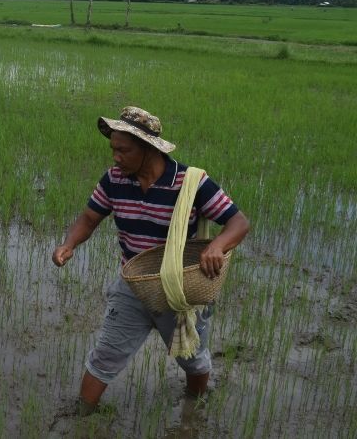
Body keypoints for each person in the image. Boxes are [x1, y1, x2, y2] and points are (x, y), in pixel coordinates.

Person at [52, 106, 250, 416]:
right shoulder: (114, 179)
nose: (116, 157)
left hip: (180, 289)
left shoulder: (191, 182)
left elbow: (238, 222)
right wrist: (69, 244)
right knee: (106, 355)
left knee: (192, 359)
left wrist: (218, 246)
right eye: (113, 149)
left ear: (147, 149)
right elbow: (89, 218)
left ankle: (194, 409)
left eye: (123, 150)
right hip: (133, 286)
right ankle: (82, 417)